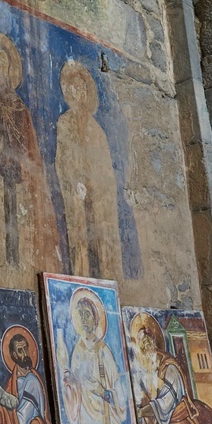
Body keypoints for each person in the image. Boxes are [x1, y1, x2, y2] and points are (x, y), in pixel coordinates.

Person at [0, 31, 59, 287]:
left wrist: (21, 168)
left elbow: (31, 153)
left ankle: (23, 279)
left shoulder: (20, 107)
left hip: (18, 183)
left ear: (9, 67)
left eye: (2, 61)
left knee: (21, 237)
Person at [54, 60, 124, 281]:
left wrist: (99, 188)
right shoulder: (64, 123)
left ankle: (104, 277)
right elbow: (62, 160)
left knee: (100, 240)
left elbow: (105, 170)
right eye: (74, 87)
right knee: (81, 239)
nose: (79, 92)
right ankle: (81, 275)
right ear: (68, 92)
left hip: (98, 197)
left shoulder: (97, 130)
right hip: (78, 194)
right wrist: (75, 182)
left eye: (82, 87)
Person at [58, 288, 128, 424]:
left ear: (96, 319)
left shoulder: (103, 351)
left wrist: (104, 392)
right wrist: (68, 381)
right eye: (80, 314)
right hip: (87, 422)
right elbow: (74, 392)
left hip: (106, 420)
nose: (83, 319)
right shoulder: (77, 352)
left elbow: (120, 395)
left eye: (87, 314)